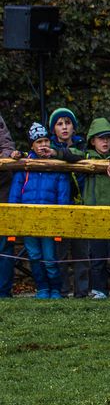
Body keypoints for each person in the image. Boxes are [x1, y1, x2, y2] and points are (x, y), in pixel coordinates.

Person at [53, 118, 110, 300]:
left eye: (108, 138)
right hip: (94, 215)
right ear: (92, 141)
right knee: (97, 256)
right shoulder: (87, 157)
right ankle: (99, 289)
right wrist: (52, 151)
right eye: (100, 138)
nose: (105, 142)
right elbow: (67, 153)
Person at [8, 122, 70, 299]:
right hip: (28, 219)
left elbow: (63, 195)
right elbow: (15, 194)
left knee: (50, 257)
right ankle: (42, 288)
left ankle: (55, 289)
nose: (43, 145)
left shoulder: (57, 165)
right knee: (34, 256)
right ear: (32, 145)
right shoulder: (25, 166)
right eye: (38, 142)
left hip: (50, 220)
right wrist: (15, 217)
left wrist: (60, 217)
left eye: (45, 141)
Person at [48, 107, 91, 298]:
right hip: (59, 204)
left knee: (82, 251)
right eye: (59, 124)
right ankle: (62, 290)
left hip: (81, 203)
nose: (64, 127)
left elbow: (78, 155)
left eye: (68, 123)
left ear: (74, 127)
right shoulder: (46, 148)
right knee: (60, 251)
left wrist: (59, 154)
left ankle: (82, 291)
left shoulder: (83, 146)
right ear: (53, 129)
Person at [0, 112, 22, 298]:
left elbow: (7, 146)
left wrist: (5, 156)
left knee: (4, 245)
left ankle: (3, 291)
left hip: (2, 191)